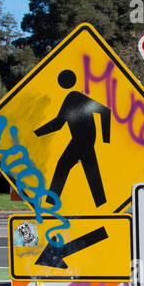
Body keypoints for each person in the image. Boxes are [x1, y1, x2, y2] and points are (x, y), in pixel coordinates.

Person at [34, 69, 112, 208]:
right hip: (80, 140)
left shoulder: (75, 96)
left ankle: (51, 203)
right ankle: (102, 204)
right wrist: (36, 134)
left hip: (83, 141)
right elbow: (59, 123)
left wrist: (106, 140)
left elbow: (105, 111)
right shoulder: (71, 97)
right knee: (89, 171)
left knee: (64, 167)